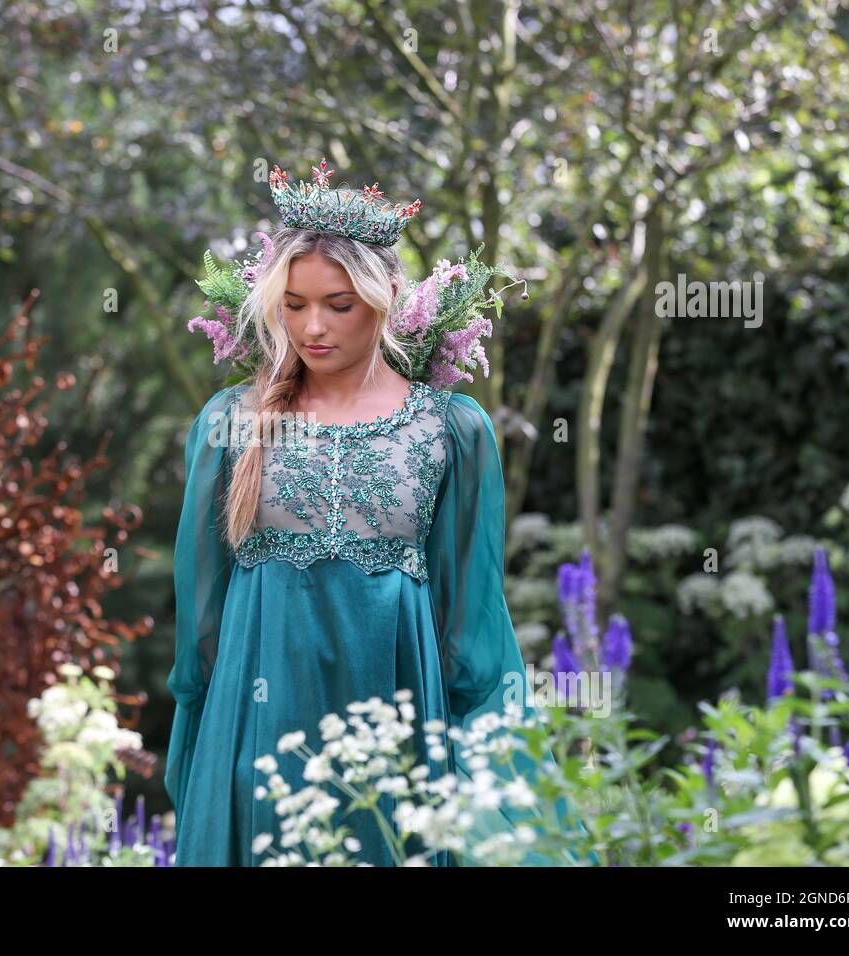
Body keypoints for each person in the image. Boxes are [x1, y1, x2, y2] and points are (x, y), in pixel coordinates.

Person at [165, 159, 582, 866]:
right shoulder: (231, 423)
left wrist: (488, 768)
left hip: (397, 721)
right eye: (293, 304)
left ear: (387, 295)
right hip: (257, 722)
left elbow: (469, 617)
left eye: (338, 304)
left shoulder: (452, 429)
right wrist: (210, 750)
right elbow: (201, 617)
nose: (312, 326)